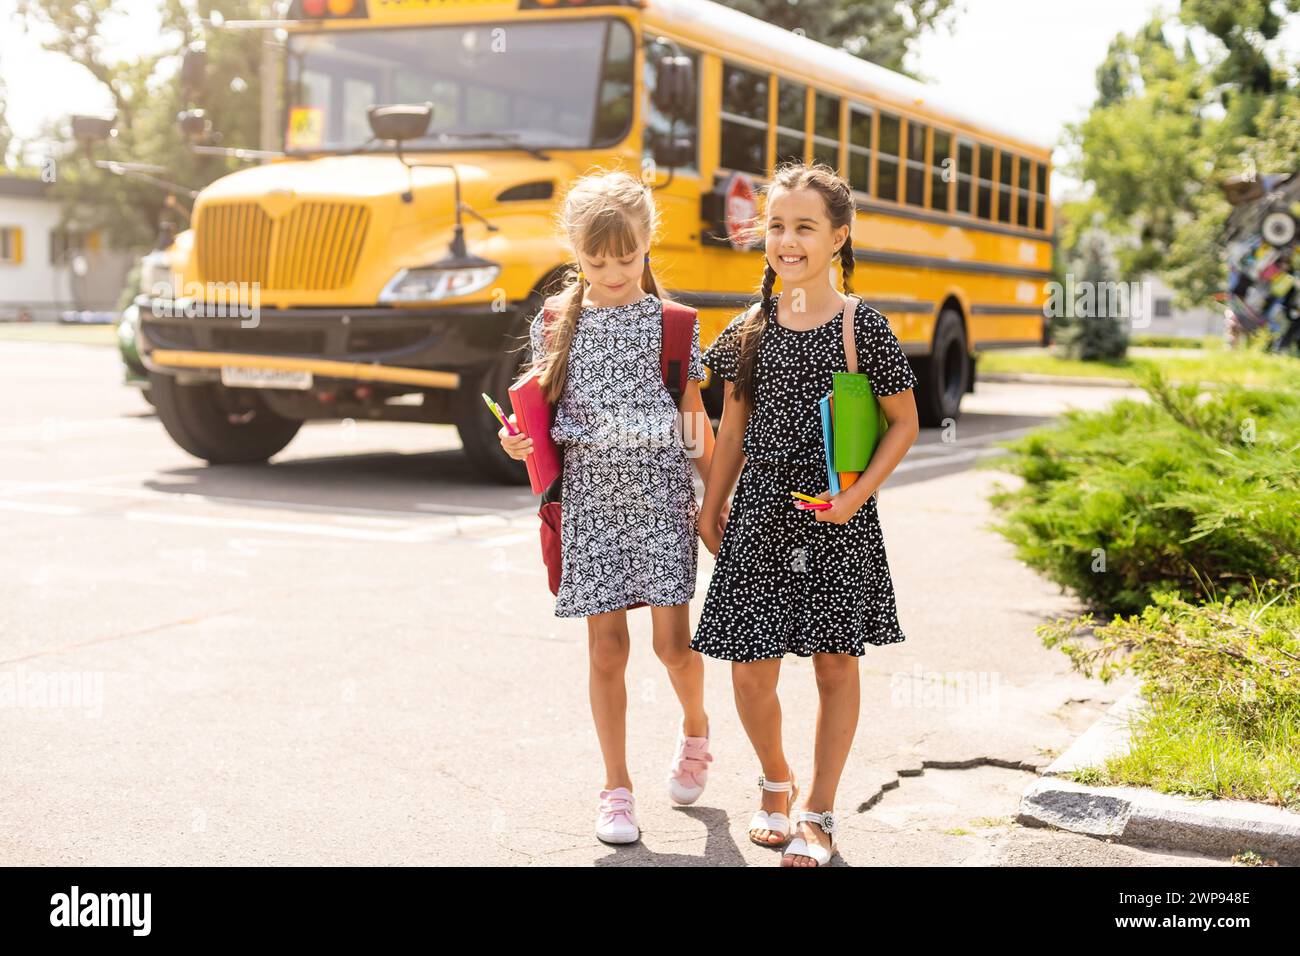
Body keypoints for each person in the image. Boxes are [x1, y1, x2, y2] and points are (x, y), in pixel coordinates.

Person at [692, 161, 920, 866]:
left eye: (805, 227)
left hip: (834, 516)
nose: (788, 241)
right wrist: (713, 499)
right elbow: (731, 427)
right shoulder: (747, 329)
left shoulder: (864, 327)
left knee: (834, 665)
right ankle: (775, 785)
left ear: (839, 236)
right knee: (749, 668)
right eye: (778, 226)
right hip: (759, 511)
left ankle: (819, 814)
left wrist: (855, 497)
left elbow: (904, 423)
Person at [498, 169, 717, 845]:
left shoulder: (675, 326)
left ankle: (695, 728)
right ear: (575, 251)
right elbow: (540, 418)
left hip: (661, 502)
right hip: (590, 504)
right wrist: (517, 443)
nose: (614, 271)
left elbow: (693, 421)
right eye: (598, 261)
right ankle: (616, 789)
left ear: (648, 242)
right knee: (605, 650)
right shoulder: (555, 325)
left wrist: (717, 503)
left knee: (673, 647)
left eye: (627, 258)